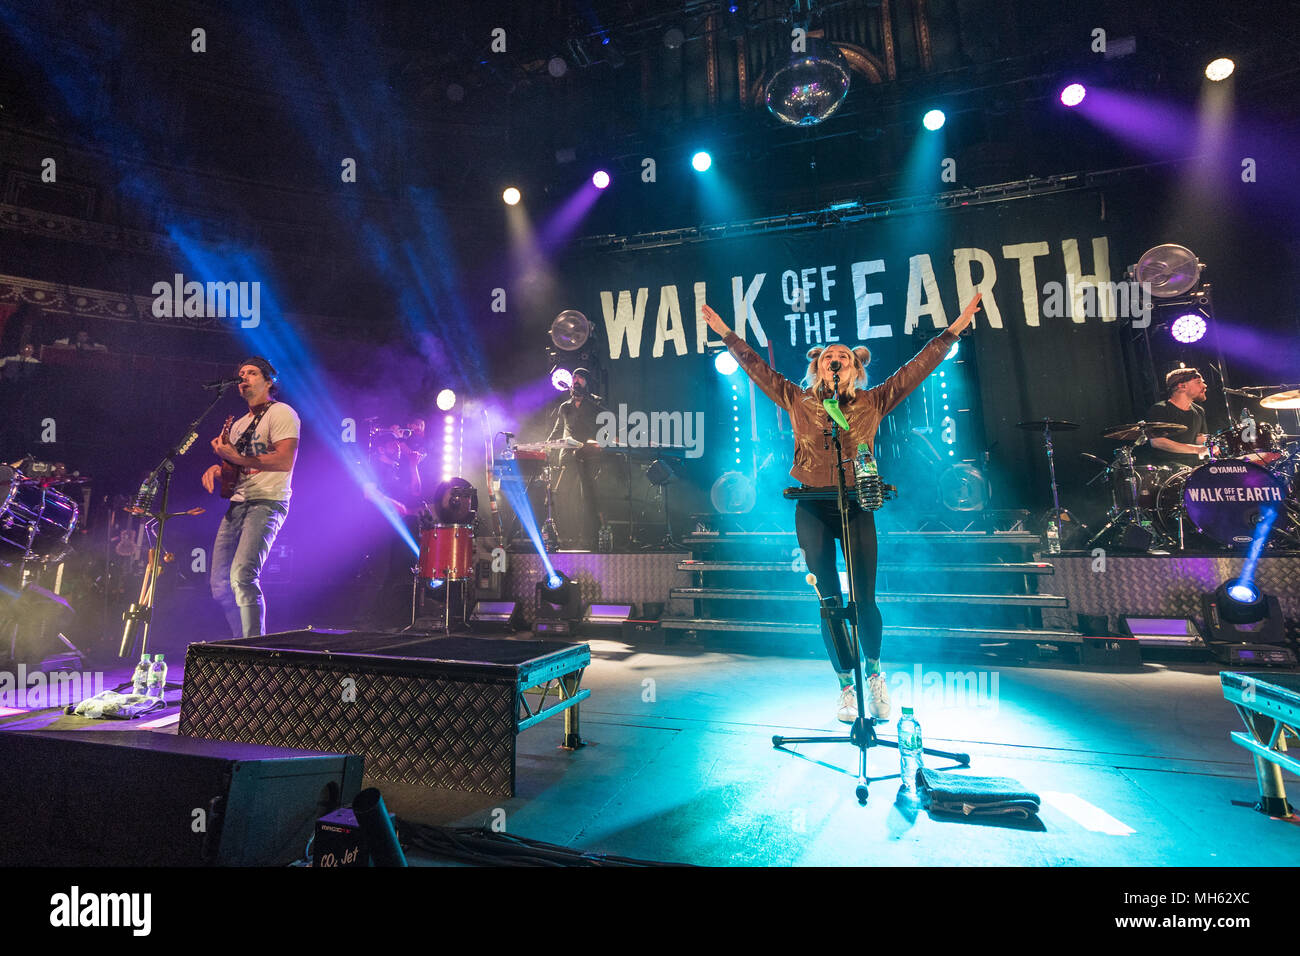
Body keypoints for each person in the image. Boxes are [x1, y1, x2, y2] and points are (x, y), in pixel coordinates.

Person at [702, 297, 980, 724]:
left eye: (843, 357)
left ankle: (873, 675)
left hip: (856, 504)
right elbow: (758, 369)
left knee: (864, 600)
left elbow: (918, 367)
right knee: (829, 603)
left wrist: (954, 329)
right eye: (828, 357)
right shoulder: (797, 399)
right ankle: (845, 689)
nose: (836, 360)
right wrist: (726, 334)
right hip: (812, 506)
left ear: (855, 368)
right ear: (818, 368)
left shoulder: (873, 400)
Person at [200, 357, 300, 638]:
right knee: (220, 584)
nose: (243, 378)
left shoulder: (282, 413)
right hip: (238, 504)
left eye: (252, 373)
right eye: (241, 374)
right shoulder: (238, 423)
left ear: (269, 381)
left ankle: (254, 651)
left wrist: (236, 456)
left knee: (242, 576)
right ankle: (241, 642)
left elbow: (283, 461)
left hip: (267, 501)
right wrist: (219, 469)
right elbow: (238, 467)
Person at [547, 368, 606, 549]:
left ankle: (590, 536)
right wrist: (547, 445)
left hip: (589, 455)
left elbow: (602, 426)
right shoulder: (565, 407)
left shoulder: (596, 402)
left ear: (587, 381)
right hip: (567, 457)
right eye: (574, 377)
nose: (576, 380)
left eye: (580, 377)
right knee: (565, 495)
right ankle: (567, 536)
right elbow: (558, 430)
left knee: (587, 497)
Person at [1142, 368, 1209, 468]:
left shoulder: (1199, 411)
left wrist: (1212, 444)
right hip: (1168, 469)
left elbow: (1198, 438)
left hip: (1194, 467)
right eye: (1198, 382)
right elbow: (1157, 442)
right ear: (1182, 386)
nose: (1204, 385)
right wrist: (1196, 449)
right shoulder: (1160, 409)